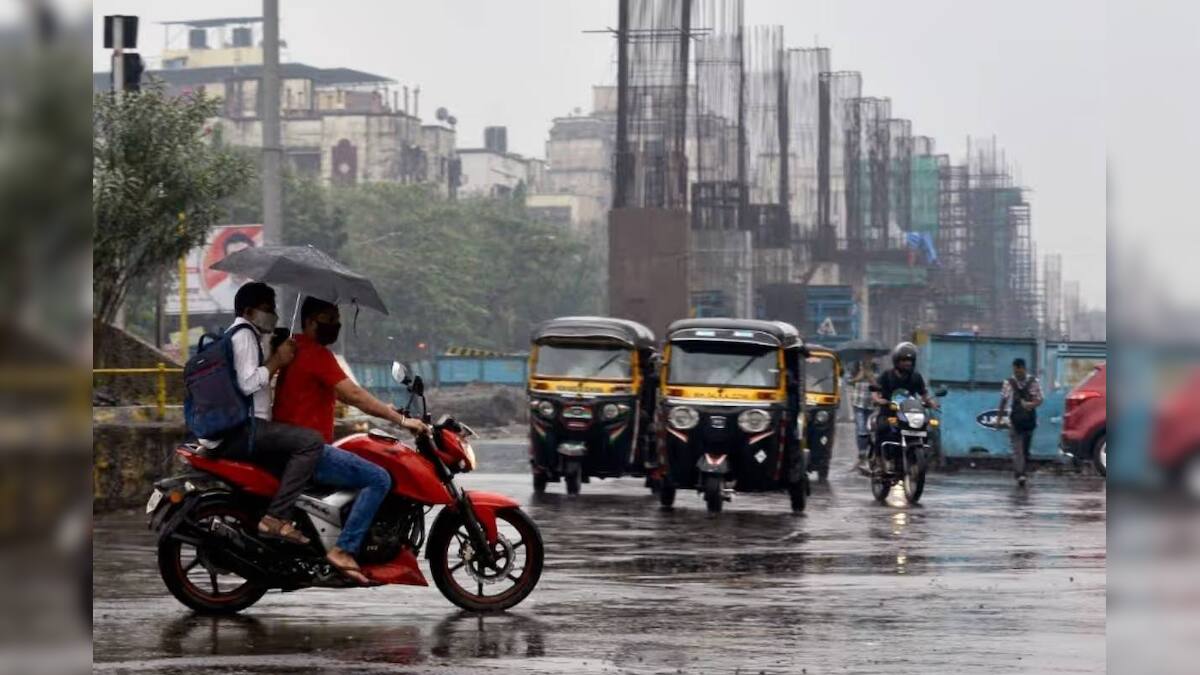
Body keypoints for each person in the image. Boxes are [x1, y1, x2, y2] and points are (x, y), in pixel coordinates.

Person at [273, 296, 430, 584]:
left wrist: (388, 411)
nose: (336, 325)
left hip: (291, 446)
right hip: (310, 451)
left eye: (337, 320)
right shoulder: (316, 354)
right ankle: (344, 549)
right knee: (379, 478)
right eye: (328, 319)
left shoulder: (295, 348)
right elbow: (353, 395)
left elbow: (346, 393)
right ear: (309, 322)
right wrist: (402, 421)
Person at [199, 282, 324, 546]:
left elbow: (255, 378)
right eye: (268, 308)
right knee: (311, 442)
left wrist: (276, 354)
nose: (275, 313)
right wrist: (277, 360)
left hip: (238, 428)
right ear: (248, 311)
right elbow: (247, 383)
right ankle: (276, 518)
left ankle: (267, 523)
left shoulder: (245, 335)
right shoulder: (243, 335)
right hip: (244, 430)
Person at [870, 342, 939, 472]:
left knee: (927, 427)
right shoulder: (887, 375)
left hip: (909, 413)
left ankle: (919, 458)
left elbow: (923, 394)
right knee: (883, 429)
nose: (907, 363)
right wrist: (878, 400)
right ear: (897, 361)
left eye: (910, 360)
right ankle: (879, 459)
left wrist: (932, 403)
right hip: (889, 412)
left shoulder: (916, 377)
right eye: (904, 360)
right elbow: (875, 390)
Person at [998, 357, 1043, 486]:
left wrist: (1030, 405)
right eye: (1015, 371)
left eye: (1019, 371)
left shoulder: (1034, 382)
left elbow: (1040, 399)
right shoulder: (1008, 382)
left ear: (1024, 369)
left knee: (1025, 449)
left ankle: (1022, 471)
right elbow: (1003, 401)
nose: (1017, 374)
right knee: (1017, 448)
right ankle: (1020, 474)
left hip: (1029, 421)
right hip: (1014, 420)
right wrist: (1000, 419)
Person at [847, 357, 877, 472]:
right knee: (861, 429)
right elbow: (848, 381)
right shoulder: (855, 368)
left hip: (871, 404)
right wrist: (858, 376)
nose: (867, 361)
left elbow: (878, 385)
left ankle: (868, 455)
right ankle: (861, 456)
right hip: (858, 403)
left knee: (870, 430)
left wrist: (870, 377)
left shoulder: (876, 370)